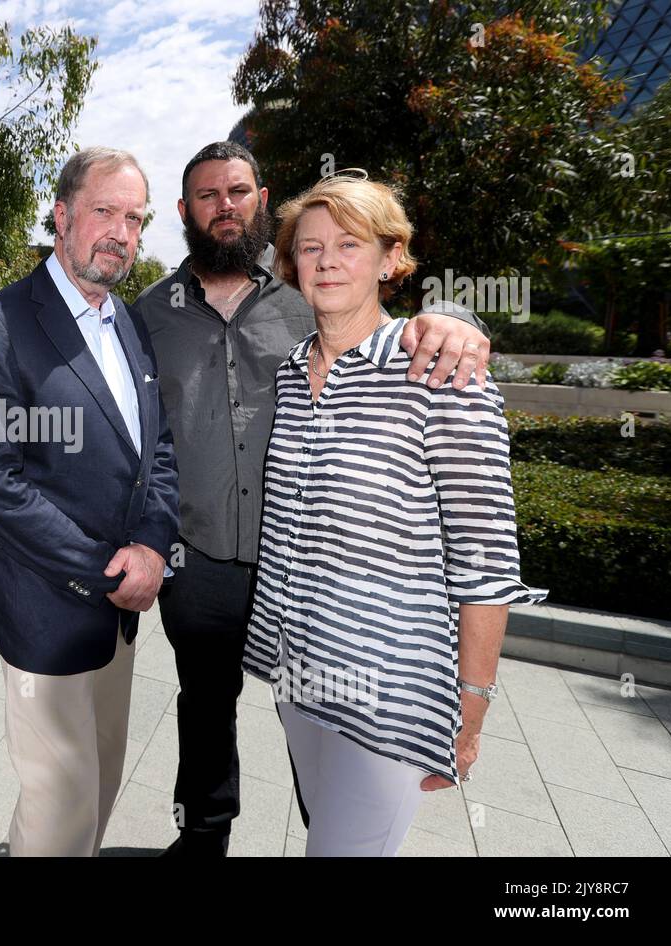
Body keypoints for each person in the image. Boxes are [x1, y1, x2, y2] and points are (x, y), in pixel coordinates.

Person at [130, 141, 494, 856]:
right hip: (196, 558)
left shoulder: (308, 296)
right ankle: (203, 834)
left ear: (262, 200)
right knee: (204, 707)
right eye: (207, 196)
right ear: (184, 212)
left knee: (318, 723)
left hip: (299, 568)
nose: (224, 206)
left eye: (238, 191)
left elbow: (397, 329)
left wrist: (456, 318)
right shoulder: (151, 313)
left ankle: (333, 828)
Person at [241, 171, 544, 856]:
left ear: (391, 258)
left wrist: (470, 710)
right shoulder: (291, 373)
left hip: (390, 688)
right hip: (297, 671)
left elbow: (486, 559)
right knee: (328, 829)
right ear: (290, 266)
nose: (326, 261)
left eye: (349, 244)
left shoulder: (442, 375)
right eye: (310, 248)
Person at [0, 147, 180, 856]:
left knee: (100, 781)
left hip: (119, 612)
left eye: (134, 219)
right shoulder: (2, 322)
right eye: (105, 211)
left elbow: (158, 451)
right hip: (46, 607)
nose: (120, 232)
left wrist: (149, 546)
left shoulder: (129, 323)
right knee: (61, 799)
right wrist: (107, 566)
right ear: (62, 216)